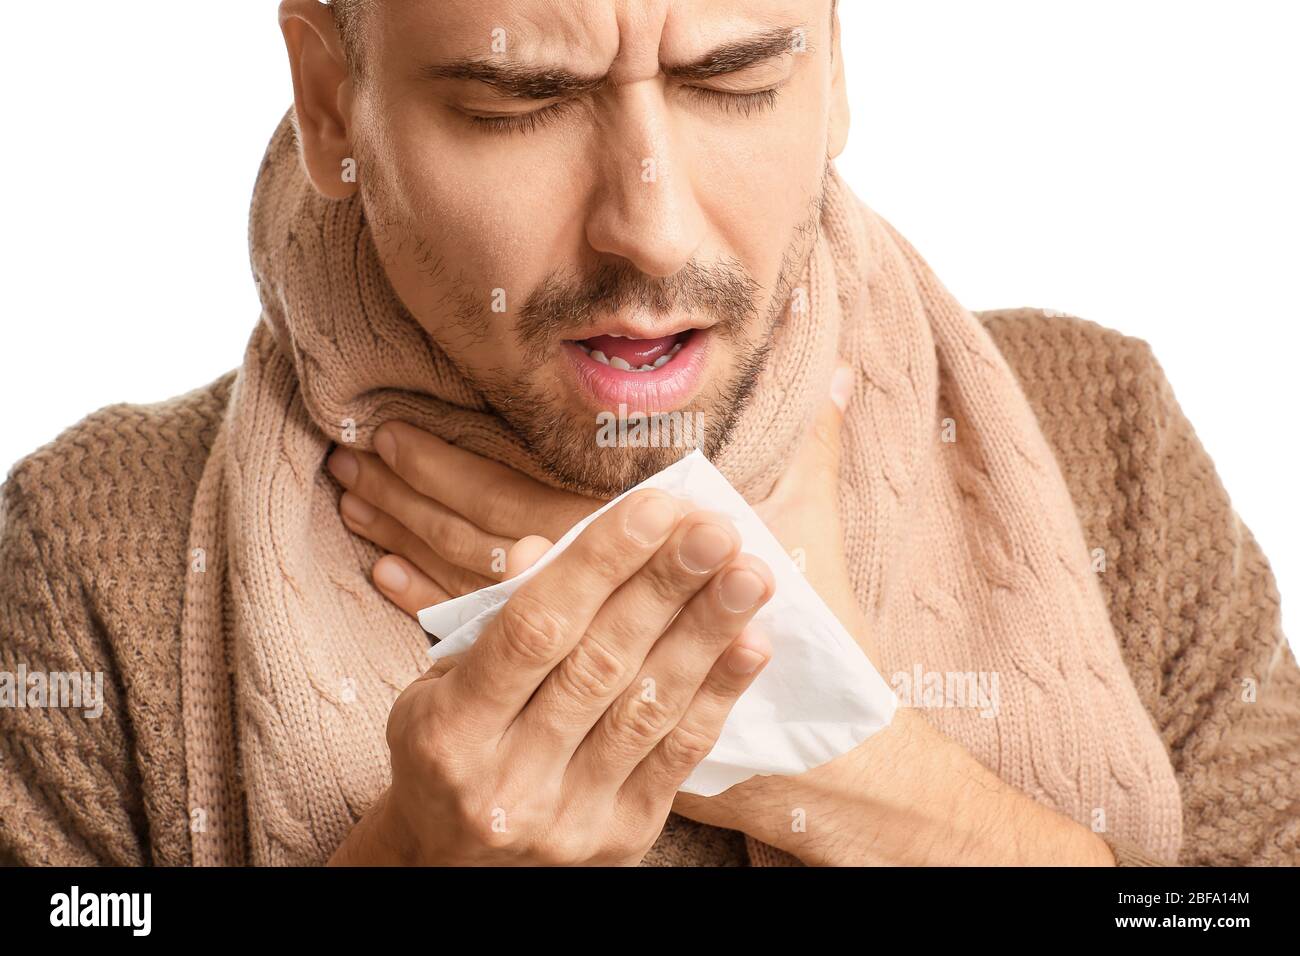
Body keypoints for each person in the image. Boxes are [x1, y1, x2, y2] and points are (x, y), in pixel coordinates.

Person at [1, 0, 1295, 867]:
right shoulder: (92, 561)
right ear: (331, 97)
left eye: (733, 78)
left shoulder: (1103, 439)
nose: (651, 229)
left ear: (836, 65)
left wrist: (851, 767)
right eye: (519, 99)